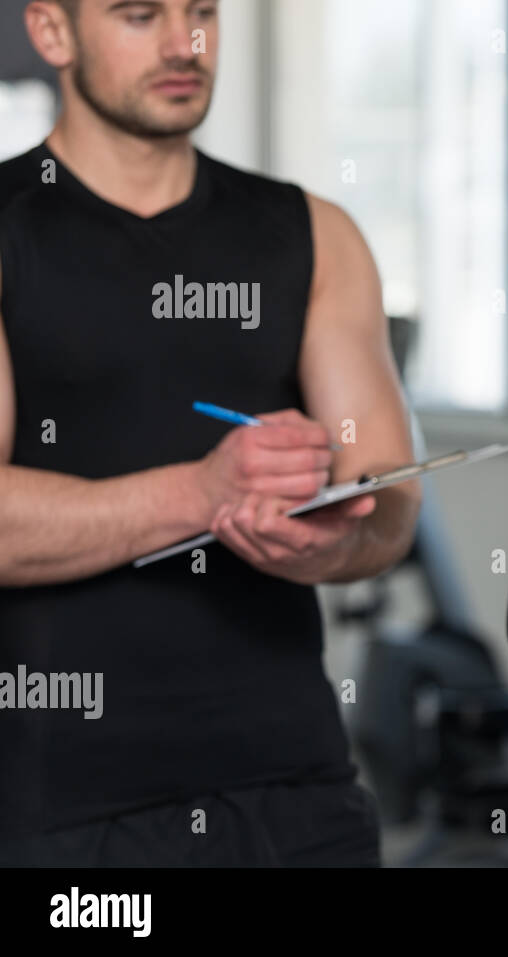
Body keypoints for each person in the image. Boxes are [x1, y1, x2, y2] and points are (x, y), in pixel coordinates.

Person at [0, 0, 420, 865]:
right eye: (139, 14)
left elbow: (389, 499)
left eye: (201, 12)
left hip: (298, 793)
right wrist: (200, 493)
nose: (183, 43)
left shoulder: (318, 235)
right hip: (63, 811)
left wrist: (332, 542)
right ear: (51, 32)